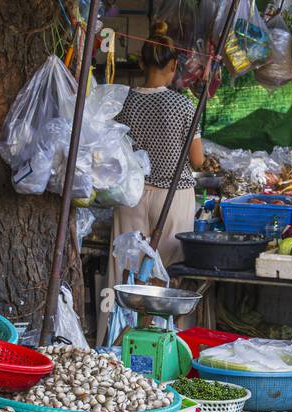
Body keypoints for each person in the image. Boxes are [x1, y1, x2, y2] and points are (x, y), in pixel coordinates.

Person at [100, 21, 204, 344]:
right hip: (173, 198)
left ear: (142, 63)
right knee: (165, 275)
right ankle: (162, 345)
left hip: (131, 194)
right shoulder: (183, 105)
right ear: (174, 66)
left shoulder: (124, 103)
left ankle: (114, 344)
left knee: (123, 275)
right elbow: (198, 161)